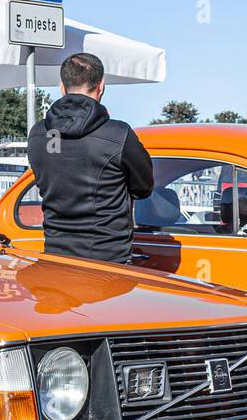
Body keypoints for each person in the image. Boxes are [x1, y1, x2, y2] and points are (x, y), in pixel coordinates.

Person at [27, 52, 154, 265]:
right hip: (108, 264)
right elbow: (144, 187)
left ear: (62, 86)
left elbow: (45, 180)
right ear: (101, 86)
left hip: (56, 258)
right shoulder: (118, 135)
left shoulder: (39, 134)